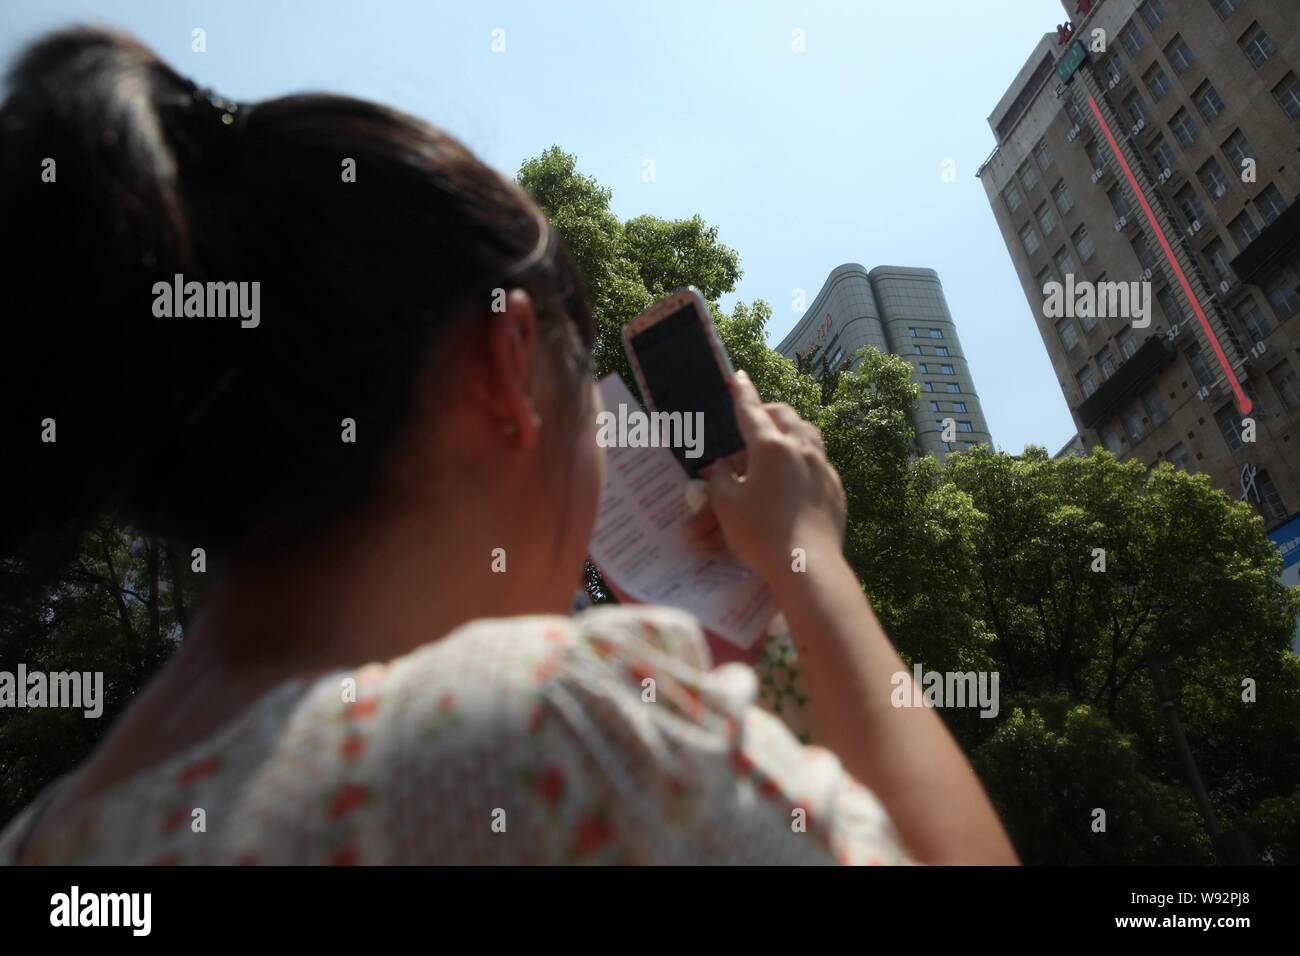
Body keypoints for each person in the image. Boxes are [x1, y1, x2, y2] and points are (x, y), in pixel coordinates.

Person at [0, 28, 1017, 865]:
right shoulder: (557, 735)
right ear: (508, 359)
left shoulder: (49, 834)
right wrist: (808, 559)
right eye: (584, 380)